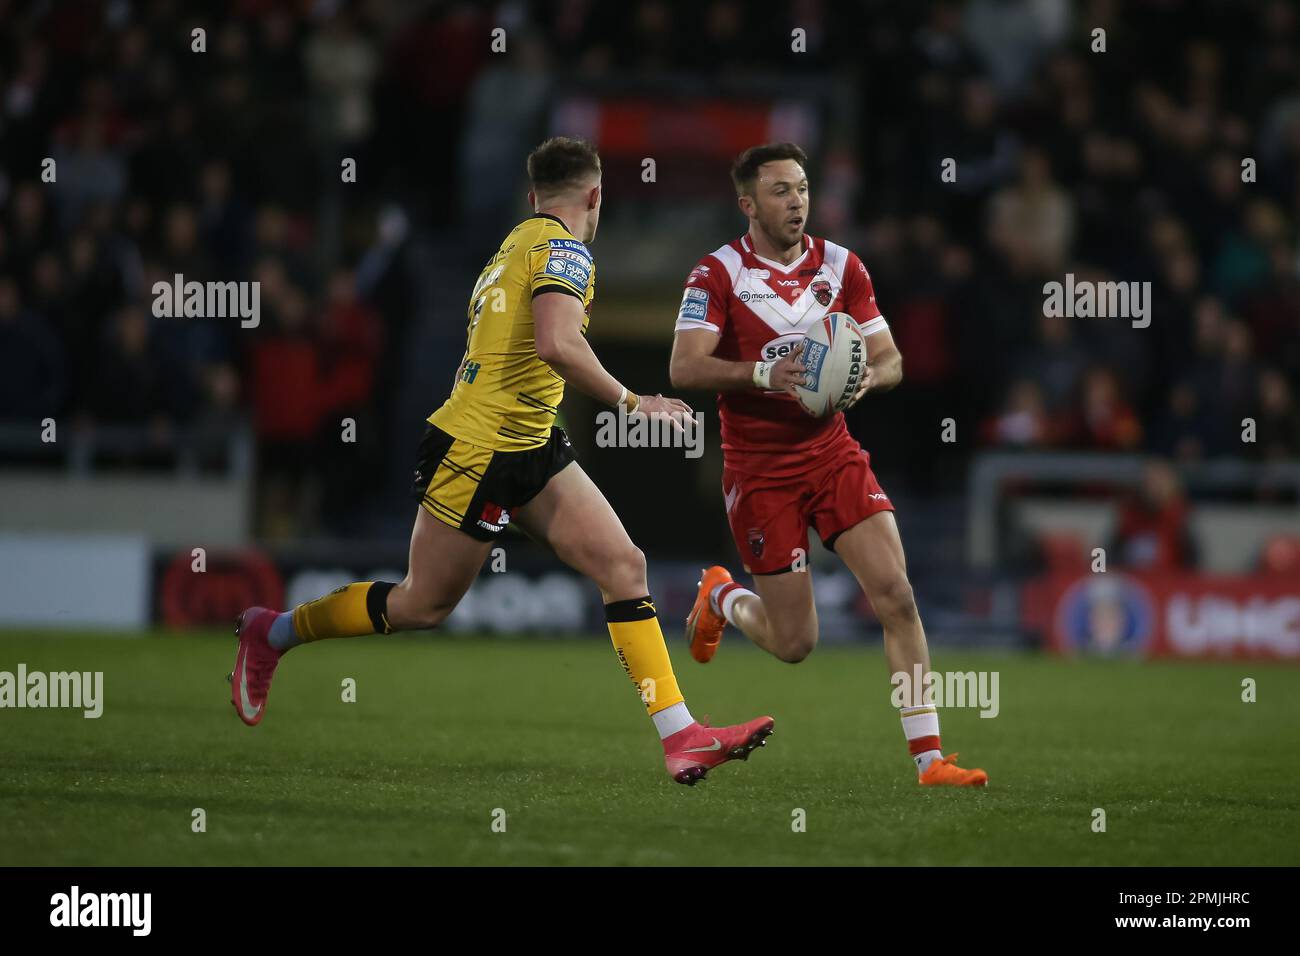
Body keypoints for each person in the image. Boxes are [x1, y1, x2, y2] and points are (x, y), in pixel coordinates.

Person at [230, 137, 773, 786]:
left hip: (528, 441)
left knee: (624, 565)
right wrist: (636, 402)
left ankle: (682, 737)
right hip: (479, 449)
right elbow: (556, 344)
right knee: (421, 606)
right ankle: (273, 632)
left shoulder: (510, 249)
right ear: (595, 198)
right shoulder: (565, 250)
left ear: (532, 196)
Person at [669, 142, 986, 786]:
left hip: (832, 454)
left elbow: (892, 357)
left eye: (803, 188)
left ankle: (930, 761)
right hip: (760, 470)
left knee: (896, 595)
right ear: (748, 203)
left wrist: (867, 377)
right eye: (782, 190)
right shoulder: (716, 274)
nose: (797, 202)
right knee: (795, 644)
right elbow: (683, 366)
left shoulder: (842, 267)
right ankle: (722, 596)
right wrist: (763, 373)